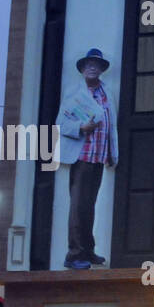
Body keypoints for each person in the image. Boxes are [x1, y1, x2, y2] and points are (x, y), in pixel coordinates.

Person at [57, 47, 119, 269]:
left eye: (96, 65)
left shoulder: (106, 93)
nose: (92, 68)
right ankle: (74, 254)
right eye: (88, 64)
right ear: (82, 69)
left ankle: (88, 250)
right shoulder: (74, 93)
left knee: (89, 206)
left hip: (99, 157)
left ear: (102, 69)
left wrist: (113, 153)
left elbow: (112, 125)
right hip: (82, 157)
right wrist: (81, 127)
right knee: (78, 207)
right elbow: (61, 124)